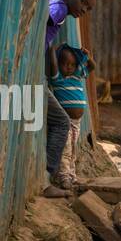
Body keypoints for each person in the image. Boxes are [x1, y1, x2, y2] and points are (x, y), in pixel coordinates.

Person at [44, 0, 97, 198]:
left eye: (88, 9)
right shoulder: (59, 9)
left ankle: (52, 176)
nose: (84, 10)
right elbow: (45, 19)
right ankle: (47, 177)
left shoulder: (59, 9)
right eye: (83, 3)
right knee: (61, 124)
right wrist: (48, 47)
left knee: (69, 148)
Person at [47, 42, 94, 190]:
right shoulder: (57, 78)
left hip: (77, 122)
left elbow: (92, 67)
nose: (69, 67)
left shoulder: (78, 75)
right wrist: (52, 50)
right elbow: (53, 65)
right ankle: (64, 178)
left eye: (72, 64)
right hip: (65, 121)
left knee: (72, 150)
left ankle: (72, 176)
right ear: (59, 64)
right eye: (65, 64)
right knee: (65, 149)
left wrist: (88, 56)